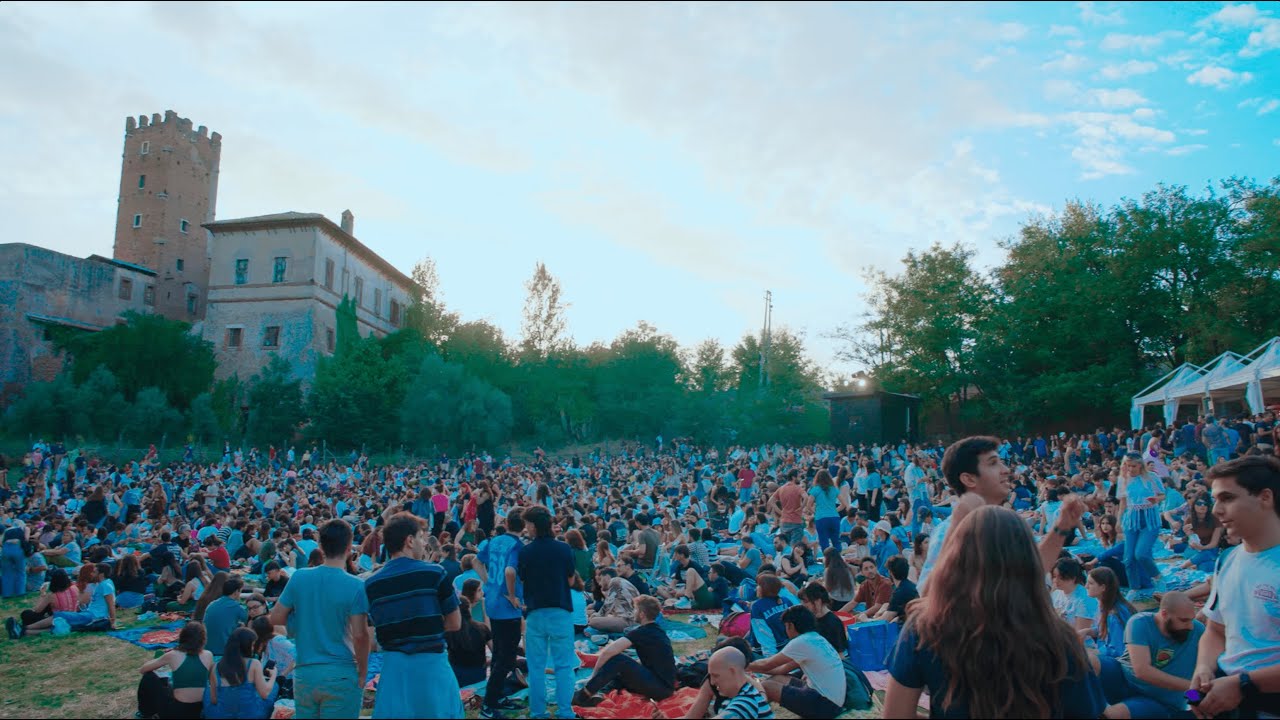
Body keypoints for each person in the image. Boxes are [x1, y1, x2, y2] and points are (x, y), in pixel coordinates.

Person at [883, 506, 1106, 718]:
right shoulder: (1060, 639)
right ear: (1029, 563)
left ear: (956, 560)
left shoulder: (925, 629)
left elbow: (895, 714)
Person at [918, 436, 1084, 594]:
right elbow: (926, 594)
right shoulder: (947, 532)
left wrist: (1062, 526)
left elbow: (1035, 567)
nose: (1006, 470)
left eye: (1001, 463)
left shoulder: (1009, 522)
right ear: (969, 479)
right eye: (993, 463)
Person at [1190, 456, 1280, 719]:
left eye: (1227, 498)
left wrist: (1244, 685)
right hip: (1226, 691)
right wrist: (1202, 668)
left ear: (1265, 497)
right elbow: (1216, 630)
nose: (1216, 510)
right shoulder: (1227, 559)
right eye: (1215, 500)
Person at [363, 512, 463, 718]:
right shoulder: (435, 573)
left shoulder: (371, 584)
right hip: (431, 668)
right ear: (409, 541)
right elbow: (454, 623)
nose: (424, 543)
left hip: (393, 671)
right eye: (421, 537)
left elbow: (372, 635)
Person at [268, 519, 370, 720]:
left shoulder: (300, 577)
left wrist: (299, 620)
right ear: (349, 548)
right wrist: (363, 672)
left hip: (305, 672)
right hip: (341, 672)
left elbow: (276, 616)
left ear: (320, 546)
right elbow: (360, 635)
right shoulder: (356, 586)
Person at [1098, 592, 1204, 720]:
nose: (1190, 626)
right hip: (1124, 680)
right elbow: (1142, 671)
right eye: (1184, 620)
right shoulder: (1140, 622)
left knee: (1114, 714)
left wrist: (1195, 699)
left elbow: (1201, 674)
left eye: (1192, 619)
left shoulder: (1198, 631)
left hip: (1159, 700)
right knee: (1087, 662)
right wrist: (1192, 687)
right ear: (1164, 614)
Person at [517, 504, 578, 720]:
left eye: (527, 524)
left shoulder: (525, 552)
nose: (526, 528)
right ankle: (565, 711)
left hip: (536, 613)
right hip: (560, 611)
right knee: (564, 666)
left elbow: (521, 580)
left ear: (533, 526)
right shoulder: (564, 549)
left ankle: (538, 712)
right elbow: (570, 580)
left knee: (536, 667)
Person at [573, 594, 675, 706]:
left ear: (642, 614)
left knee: (618, 660)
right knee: (621, 669)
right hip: (664, 686)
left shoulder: (641, 632)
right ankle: (600, 694)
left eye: (635, 609)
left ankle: (583, 695)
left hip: (660, 688)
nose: (633, 612)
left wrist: (592, 677)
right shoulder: (658, 631)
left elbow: (608, 652)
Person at [746, 605, 846, 718]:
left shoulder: (801, 641)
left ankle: (751, 713)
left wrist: (744, 666)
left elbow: (766, 664)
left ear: (791, 625)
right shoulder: (816, 638)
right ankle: (758, 711)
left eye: (786, 626)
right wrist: (751, 668)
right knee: (777, 679)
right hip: (832, 701)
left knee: (767, 686)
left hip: (826, 706)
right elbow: (781, 670)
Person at [475, 508, 524, 719]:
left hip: (493, 602)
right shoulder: (517, 546)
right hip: (507, 607)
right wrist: (512, 596)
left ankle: (497, 696)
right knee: (506, 657)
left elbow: (476, 561)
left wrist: (488, 583)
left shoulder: (493, 541)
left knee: (498, 654)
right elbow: (510, 571)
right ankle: (488, 705)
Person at [138, 621, 215, 719]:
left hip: (176, 712)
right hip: (200, 709)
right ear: (203, 640)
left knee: (149, 677)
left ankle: (146, 713)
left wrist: (158, 660)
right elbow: (212, 681)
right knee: (168, 684)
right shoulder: (208, 655)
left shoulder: (173, 655)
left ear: (182, 637)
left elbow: (143, 670)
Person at [203, 627, 278, 719]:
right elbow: (264, 694)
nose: (253, 648)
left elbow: (214, 700)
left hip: (221, 715)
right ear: (246, 646)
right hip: (250, 715)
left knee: (207, 690)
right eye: (252, 645)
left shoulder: (215, 667)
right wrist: (273, 676)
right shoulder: (254, 663)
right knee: (274, 686)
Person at [1119, 452, 1166, 593]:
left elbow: (1162, 494)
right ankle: (1134, 588)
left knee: (1141, 554)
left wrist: (1156, 499)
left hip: (1149, 518)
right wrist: (1118, 520)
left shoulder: (1151, 477)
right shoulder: (1123, 479)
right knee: (1128, 558)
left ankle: (1157, 577)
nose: (1130, 469)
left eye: (1133, 466)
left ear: (1140, 465)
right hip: (1131, 519)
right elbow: (1123, 502)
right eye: (1128, 465)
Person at [6, 567, 78, 639]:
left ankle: (22, 629)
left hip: (55, 621)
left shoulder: (52, 595)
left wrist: (42, 594)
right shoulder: (75, 589)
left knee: (26, 614)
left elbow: (37, 610)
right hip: (73, 617)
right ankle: (22, 629)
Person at [1085, 567, 1136, 660]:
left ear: (1103, 587)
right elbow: (1107, 631)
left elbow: (1118, 650)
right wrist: (1087, 631)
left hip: (1122, 662)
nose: (1086, 586)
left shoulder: (1114, 614)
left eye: (1090, 583)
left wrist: (1095, 652)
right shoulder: (1108, 605)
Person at [658, 544, 717, 610]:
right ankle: (680, 603)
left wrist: (680, 591)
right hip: (686, 593)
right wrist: (670, 589)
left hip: (697, 591)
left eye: (676, 553)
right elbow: (674, 582)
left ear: (682, 555)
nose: (674, 556)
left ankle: (685, 598)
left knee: (690, 571)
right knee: (663, 595)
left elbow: (698, 584)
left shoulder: (694, 566)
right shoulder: (679, 567)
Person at [749, 573, 794, 657]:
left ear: (764, 588)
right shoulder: (785, 600)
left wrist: (770, 657)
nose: (756, 588)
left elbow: (763, 632)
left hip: (768, 650)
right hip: (789, 644)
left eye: (758, 585)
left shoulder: (757, 606)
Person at [799, 583, 848, 659]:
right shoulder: (809, 618)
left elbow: (839, 654)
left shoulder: (833, 623)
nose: (803, 605)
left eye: (806, 602)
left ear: (818, 601)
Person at [203, 576, 248, 659]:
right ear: (236, 592)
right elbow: (247, 621)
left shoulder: (212, 604)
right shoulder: (237, 607)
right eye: (240, 591)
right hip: (224, 651)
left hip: (207, 648)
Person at [1050, 556, 1097, 633]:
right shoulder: (1056, 594)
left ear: (1073, 578)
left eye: (1061, 577)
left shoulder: (1085, 598)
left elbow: (1080, 634)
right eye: (1054, 576)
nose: (1056, 580)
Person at [876, 555, 918, 624]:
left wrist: (866, 620)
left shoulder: (899, 592)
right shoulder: (911, 586)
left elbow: (885, 620)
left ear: (890, 572)